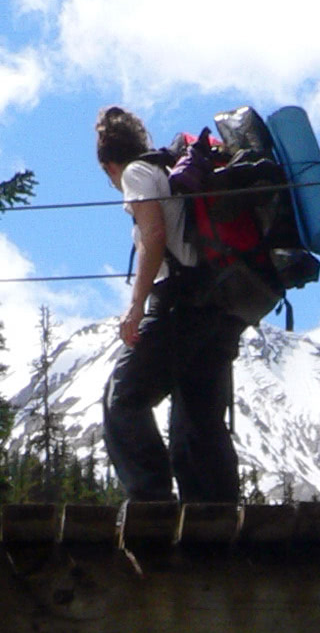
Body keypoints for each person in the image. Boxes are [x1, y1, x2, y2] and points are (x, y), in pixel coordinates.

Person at [95, 106, 245, 502]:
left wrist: (136, 305)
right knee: (198, 421)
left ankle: (152, 501)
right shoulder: (169, 169)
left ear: (109, 165)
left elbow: (153, 235)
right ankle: (216, 515)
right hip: (220, 305)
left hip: (178, 301)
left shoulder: (135, 173)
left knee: (123, 398)